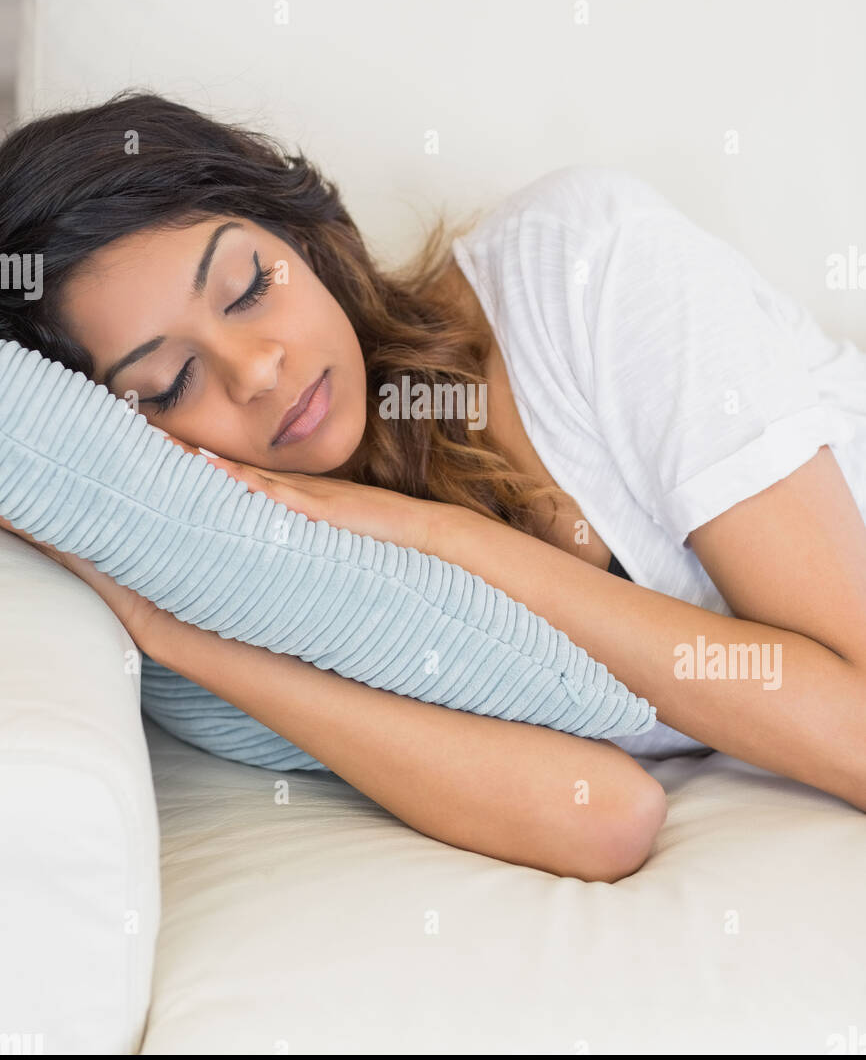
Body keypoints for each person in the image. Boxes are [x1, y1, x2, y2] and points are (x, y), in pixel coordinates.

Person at [2, 90, 866, 882]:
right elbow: (603, 816)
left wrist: (453, 538)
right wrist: (176, 640)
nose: (257, 369)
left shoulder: (585, 267)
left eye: (250, 287)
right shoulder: (277, 580)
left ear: (300, 236)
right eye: (170, 386)